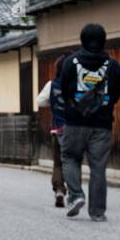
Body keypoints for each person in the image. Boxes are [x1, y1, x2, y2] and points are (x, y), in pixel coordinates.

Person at [57, 24, 120, 220]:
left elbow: (64, 89)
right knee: (98, 167)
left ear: (82, 39)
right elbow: (116, 92)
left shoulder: (70, 62)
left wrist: (74, 107)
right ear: (103, 40)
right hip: (102, 124)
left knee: (70, 157)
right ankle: (97, 212)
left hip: (75, 121)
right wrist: (104, 106)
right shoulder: (113, 65)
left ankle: (76, 195)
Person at [36, 54, 68, 207]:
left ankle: (60, 189)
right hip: (76, 129)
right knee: (74, 161)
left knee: (58, 162)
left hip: (58, 128)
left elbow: (40, 101)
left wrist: (53, 102)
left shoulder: (52, 84)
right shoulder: (77, 83)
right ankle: (76, 192)